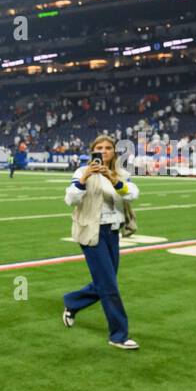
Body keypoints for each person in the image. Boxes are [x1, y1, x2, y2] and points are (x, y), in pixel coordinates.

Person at [62, 134, 139, 349]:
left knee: (106, 282)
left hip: (113, 233)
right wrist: (85, 178)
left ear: (114, 151)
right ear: (93, 151)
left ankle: (72, 301)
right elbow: (70, 199)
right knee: (109, 286)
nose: (104, 151)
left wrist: (113, 179)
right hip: (91, 233)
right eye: (99, 148)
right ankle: (119, 335)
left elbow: (132, 195)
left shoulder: (121, 173)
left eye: (108, 148)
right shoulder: (81, 172)